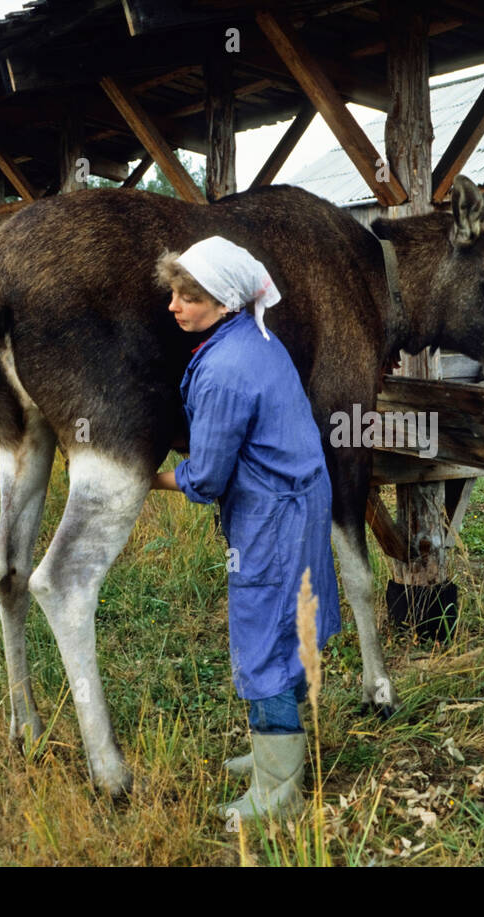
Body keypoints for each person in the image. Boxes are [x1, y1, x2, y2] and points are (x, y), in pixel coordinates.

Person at [150, 235, 340, 822]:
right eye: (175, 293)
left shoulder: (225, 370)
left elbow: (206, 478)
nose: (174, 306)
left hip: (271, 520)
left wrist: (150, 478)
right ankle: (272, 751)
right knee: (286, 627)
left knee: (264, 639)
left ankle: (278, 790)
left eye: (188, 296)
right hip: (302, 500)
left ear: (224, 298)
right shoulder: (257, 340)